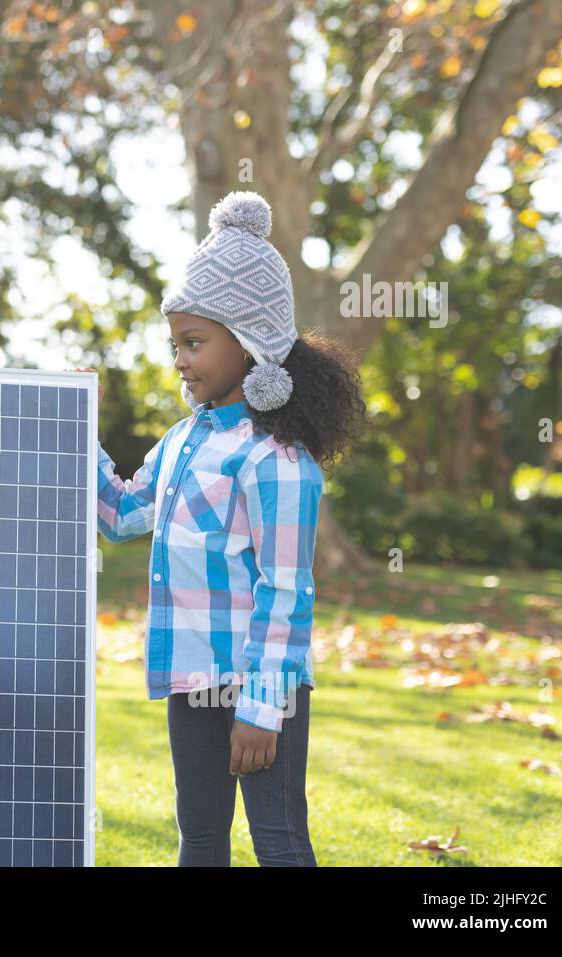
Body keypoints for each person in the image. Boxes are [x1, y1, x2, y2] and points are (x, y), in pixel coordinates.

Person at [92, 192, 365, 866]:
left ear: (251, 343)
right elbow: (124, 515)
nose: (180, 359)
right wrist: (77, 432)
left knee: (277, 839)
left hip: (256, 687)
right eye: (175, 343)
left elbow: (285, 590)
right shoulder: (183, 441)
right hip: (190, 681)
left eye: (194, 341)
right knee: (201, 838)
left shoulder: (278, 461)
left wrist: (263, 706)